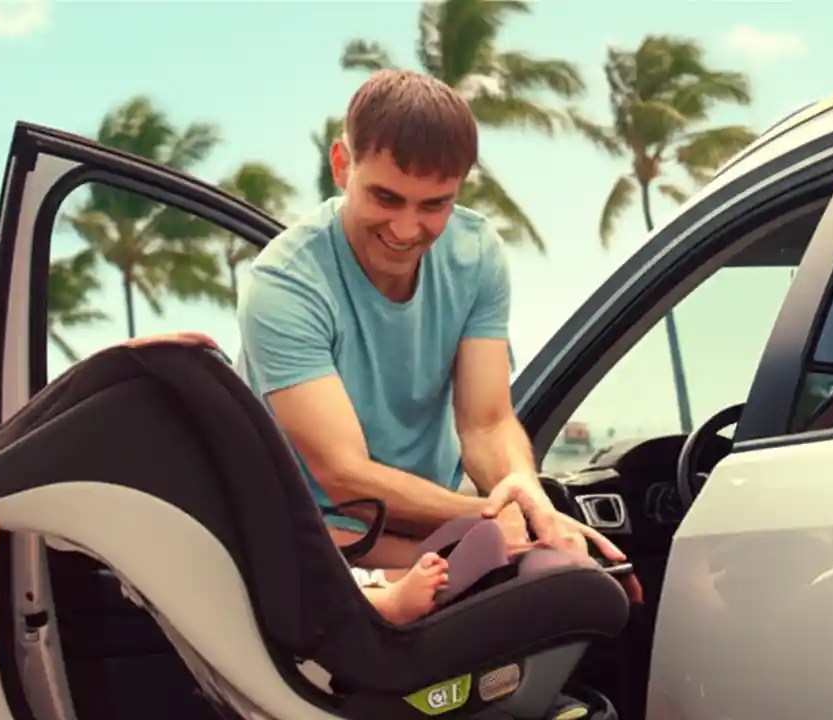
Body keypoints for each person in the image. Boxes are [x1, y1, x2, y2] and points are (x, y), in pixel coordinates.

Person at [236, 69, 628, 571]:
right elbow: (343, 476)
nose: (405, 228)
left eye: (434, 205)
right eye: (386, 197)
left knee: (579, 586)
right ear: (341, 164)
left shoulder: (476, 253)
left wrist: (528, 499)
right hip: (312, 547)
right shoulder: (285, 284)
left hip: (436, 532)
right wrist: (489, 515)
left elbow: (486, 425)